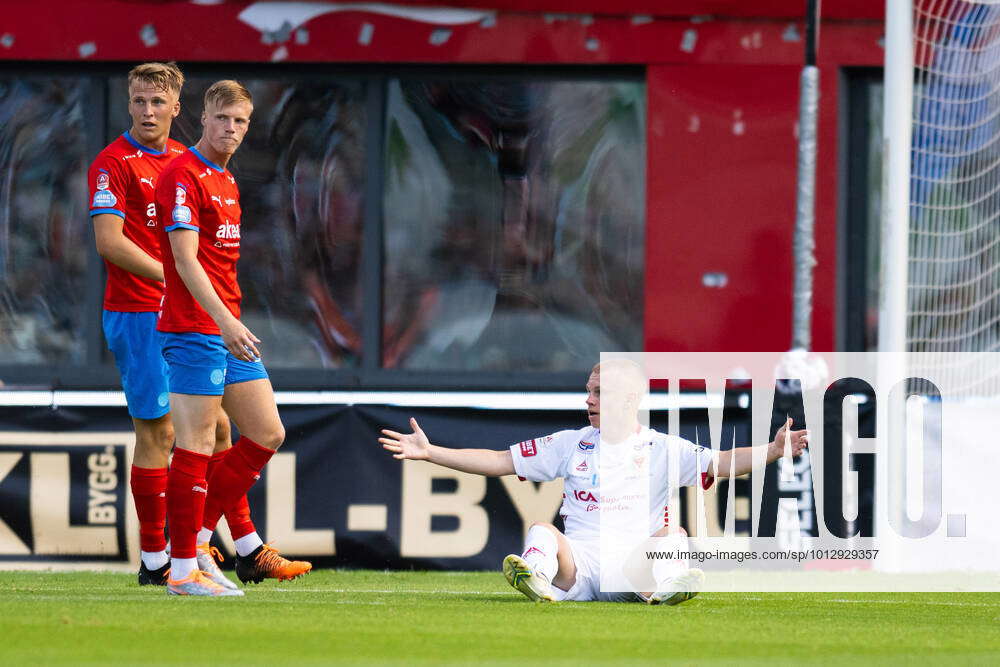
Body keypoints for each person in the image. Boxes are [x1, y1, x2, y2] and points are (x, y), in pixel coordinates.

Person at [379, 359, 809, 604]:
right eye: (589, 391)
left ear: (629, 400)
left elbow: (721, 461)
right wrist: (431, 452)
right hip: (579, 568)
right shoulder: (570, 443)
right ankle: (538, 580)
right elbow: (498, 459)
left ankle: (666, 588)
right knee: (543, 531)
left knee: (672, 534)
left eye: (599, 392)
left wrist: (771, 452)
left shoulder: (663, 447)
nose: (588, 399)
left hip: (631, 572)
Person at [88, 62, 261, 588]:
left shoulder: (191, 165)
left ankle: (232, 546)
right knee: (161, 433)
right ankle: (157, 559)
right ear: (129, 103)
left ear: (177, 109)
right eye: (139, 101)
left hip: (188, 313)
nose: (147, 111)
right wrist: (179, 276)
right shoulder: (112, 163)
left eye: (157, 103)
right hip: (138, 311)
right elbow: (109, 242)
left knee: (224, 429)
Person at [155, 80, 311, 596]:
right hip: (196, 327)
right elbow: (183, 259)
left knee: (267, 432)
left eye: (240, 121)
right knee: (197, 443)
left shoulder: (226, 180)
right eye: (223, 118)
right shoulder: (183, 174)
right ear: (203, 118)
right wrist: (224, 321)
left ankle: (198, 542)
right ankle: (181, 572)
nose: (231, 129)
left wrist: (229, 320)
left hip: (225, 326)